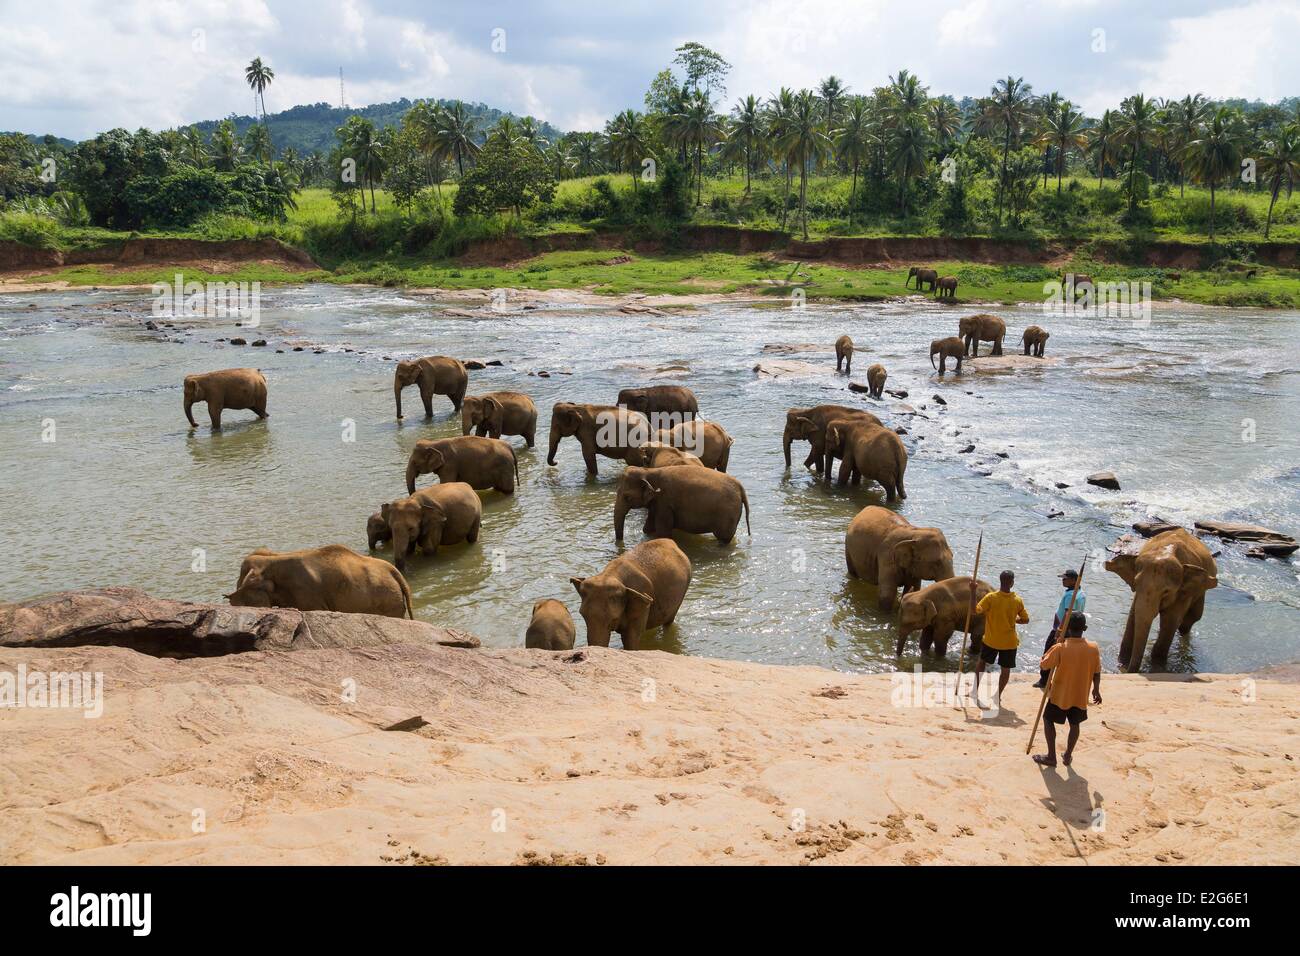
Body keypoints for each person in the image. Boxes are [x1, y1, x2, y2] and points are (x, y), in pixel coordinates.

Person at [1033, 612, 1102, 767]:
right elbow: (1097, 672)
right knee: (1075, 724)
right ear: (1085, 628)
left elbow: (1044, 664)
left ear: (1068, 628)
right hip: (1080, 695)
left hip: (1060, 695)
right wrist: (1096, 690)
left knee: (1048, 719)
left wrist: (1055, 645)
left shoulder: (1060, 648)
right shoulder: (1093, 648)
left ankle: (1051, 756)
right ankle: (1068, 754)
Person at [971, 570, 1029, 705]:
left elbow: (974, 611)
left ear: (1000, 581)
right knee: (1005, 669)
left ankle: (975, 691)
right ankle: (997, 695)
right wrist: (1014, 620)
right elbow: (1026, 619)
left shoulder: (991, 598)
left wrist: (973, 591)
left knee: (981, 663)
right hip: (1009, 642)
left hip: (991, 640)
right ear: (1012, 583)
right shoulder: (1017, 600)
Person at [1033, 568, 1087, 689]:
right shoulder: (1081, 593)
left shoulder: (1070, 595)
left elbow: (1068, 614)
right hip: (1073, 630)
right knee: (1066, 655)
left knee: (1048, 653)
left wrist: (1059, 630)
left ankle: (1044, 680)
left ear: (1073, 580)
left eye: (1065, 579)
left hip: (1062, 629)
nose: (1063, 581)